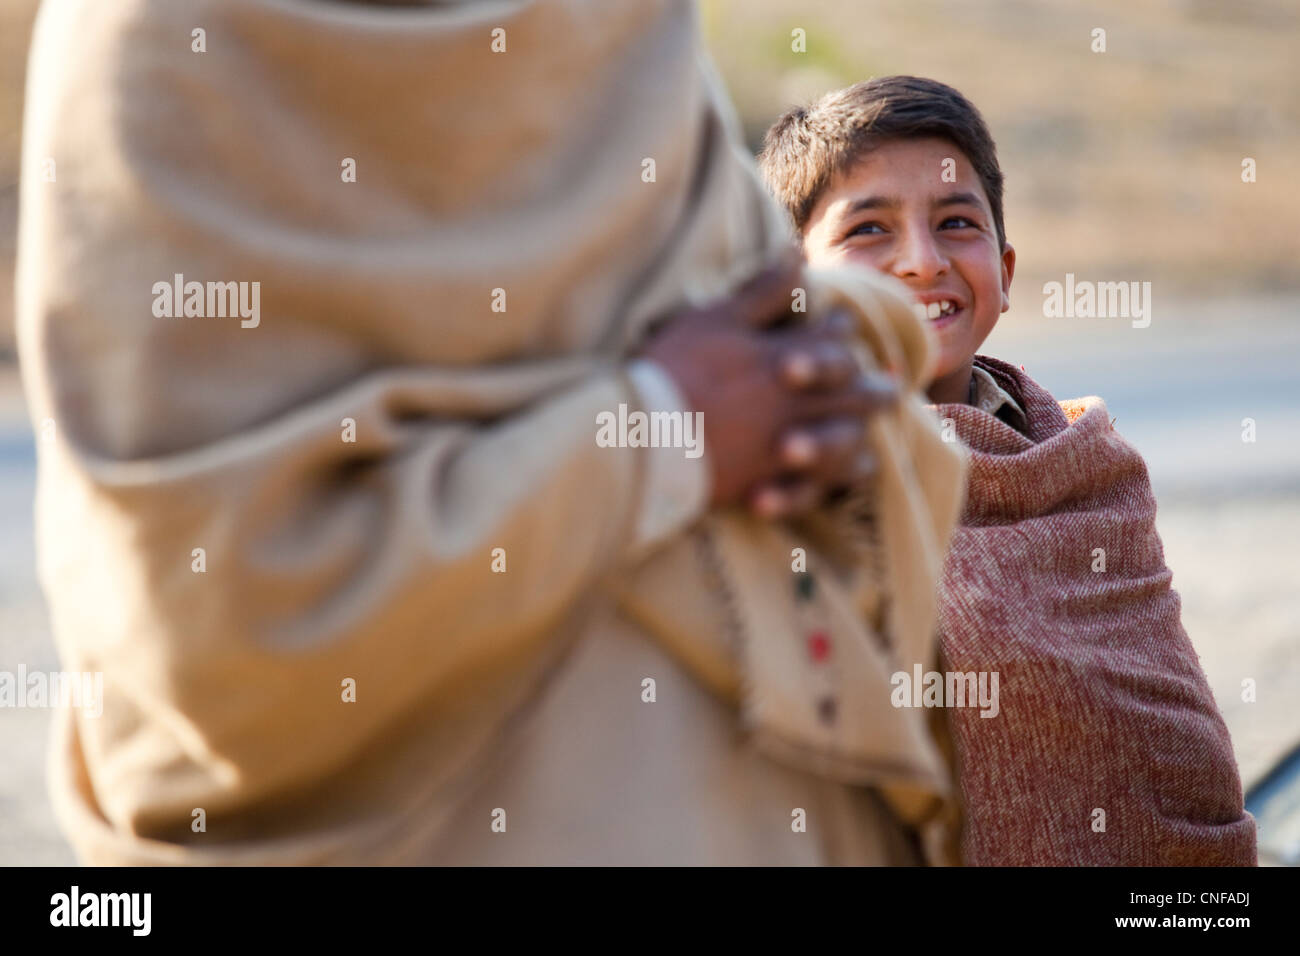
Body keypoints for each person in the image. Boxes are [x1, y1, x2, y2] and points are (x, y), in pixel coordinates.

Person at [18, 2, 965, 864]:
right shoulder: (169, 46)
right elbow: (202, 614)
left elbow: (752, 324)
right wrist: (660, 434)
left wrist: (823, 372)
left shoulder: (623, 32)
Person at [758, 75, 1257, 865]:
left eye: (957, 223)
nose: (921, 263)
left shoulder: (1092, 469)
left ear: (1006, 268)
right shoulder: (773, 484)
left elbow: (1179, 767)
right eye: (868, 231)